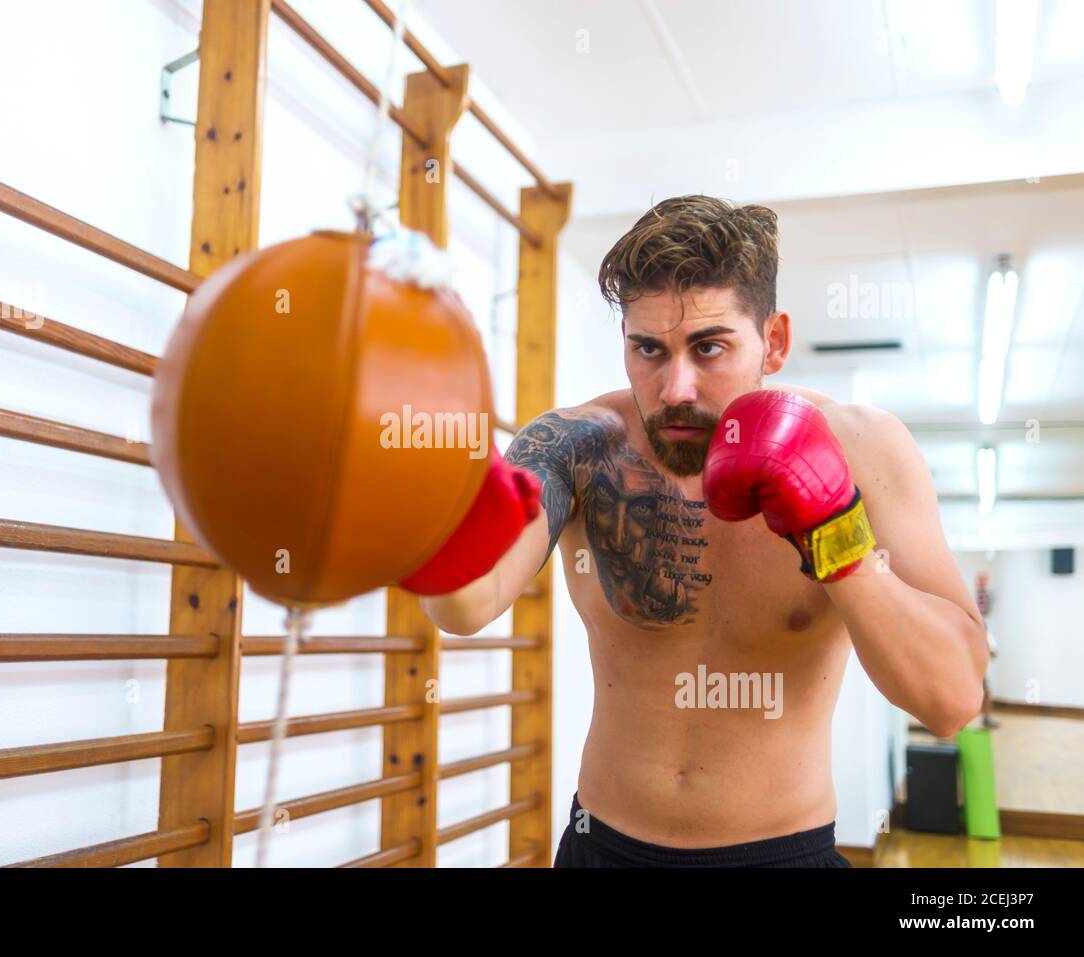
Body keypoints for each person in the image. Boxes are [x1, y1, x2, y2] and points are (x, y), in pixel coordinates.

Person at [406, 195, 988, 868]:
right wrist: (427, 472)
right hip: (603, 847)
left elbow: (952, 701)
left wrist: (837, 533)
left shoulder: (864, 447)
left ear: (774, 340)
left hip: (782, 854)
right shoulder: (579, 444)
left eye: (708, 347)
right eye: (647, 349)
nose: (675, 386)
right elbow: (465, 605)